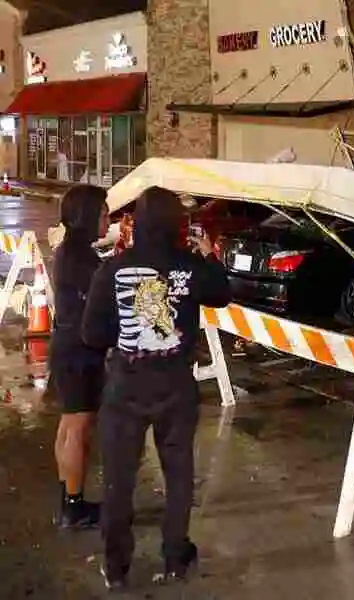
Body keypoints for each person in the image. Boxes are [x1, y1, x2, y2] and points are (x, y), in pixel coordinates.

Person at [82, 186, 231, 590]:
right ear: (177, 226)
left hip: (128, 382)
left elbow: (92, 335)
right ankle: (174, 559)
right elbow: (221, 295)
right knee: (179, 473)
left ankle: (116, 568)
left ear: (138, 224)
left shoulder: (112, 270)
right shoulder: (190, 264)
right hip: (176, 382)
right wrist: (208, 253)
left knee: (119, 479)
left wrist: (128, 332)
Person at [51, 184, 109, 529]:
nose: (108, 219)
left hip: (66, 347)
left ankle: (68, 499)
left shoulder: (70, 250)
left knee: (69, 424)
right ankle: (74, 507)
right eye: (103, 213)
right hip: (79, 352)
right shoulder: (81, 256)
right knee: (79, 428)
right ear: (87, 216)